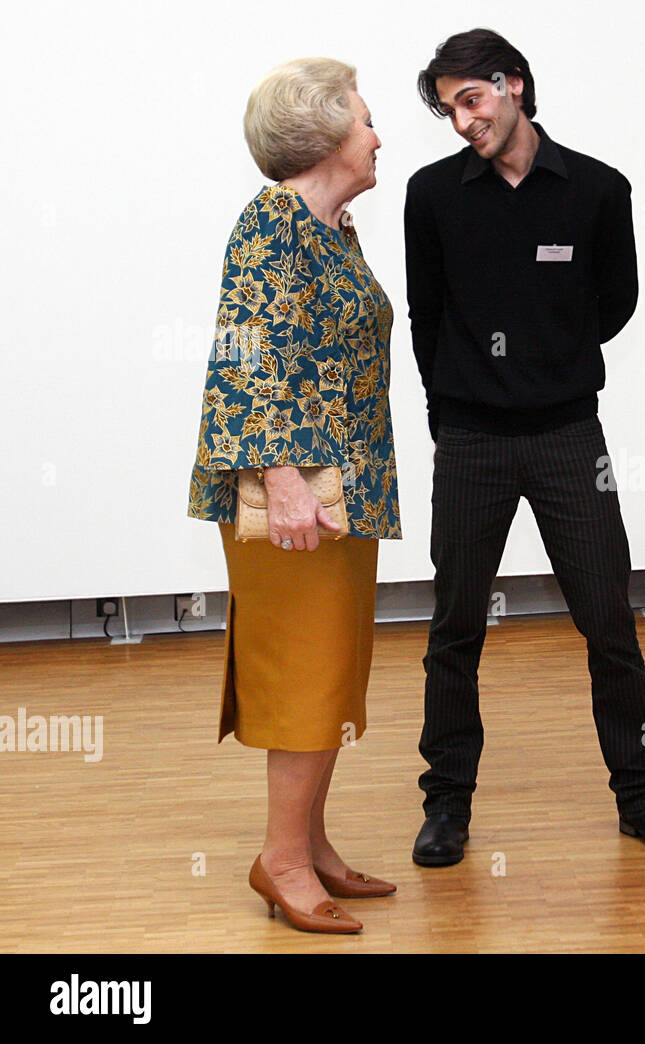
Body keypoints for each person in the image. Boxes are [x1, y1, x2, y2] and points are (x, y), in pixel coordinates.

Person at [404, 27, 645, 866]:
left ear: (515, 86)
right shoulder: (432, 197)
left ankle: (642, 796)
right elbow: (428, 320)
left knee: (609, 620)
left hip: (571, 434)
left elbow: (618, 300)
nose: (463, 120)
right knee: (455, 627)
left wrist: (551, 360)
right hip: (470, 441)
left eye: (473, 99)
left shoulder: (599, 190)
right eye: (448, 107)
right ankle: (447, 804)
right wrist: (450, 410)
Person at [187, 57, 401, 933]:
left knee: (333, 669)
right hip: (298, 490)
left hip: (344, 488)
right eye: (367, 119)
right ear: (323, 135)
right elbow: (244, 353)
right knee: (303, 673)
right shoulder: (270, 223)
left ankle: (309, 846)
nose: (379, 134)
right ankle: (279, 861)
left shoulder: (331, 229)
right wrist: (279, 480)